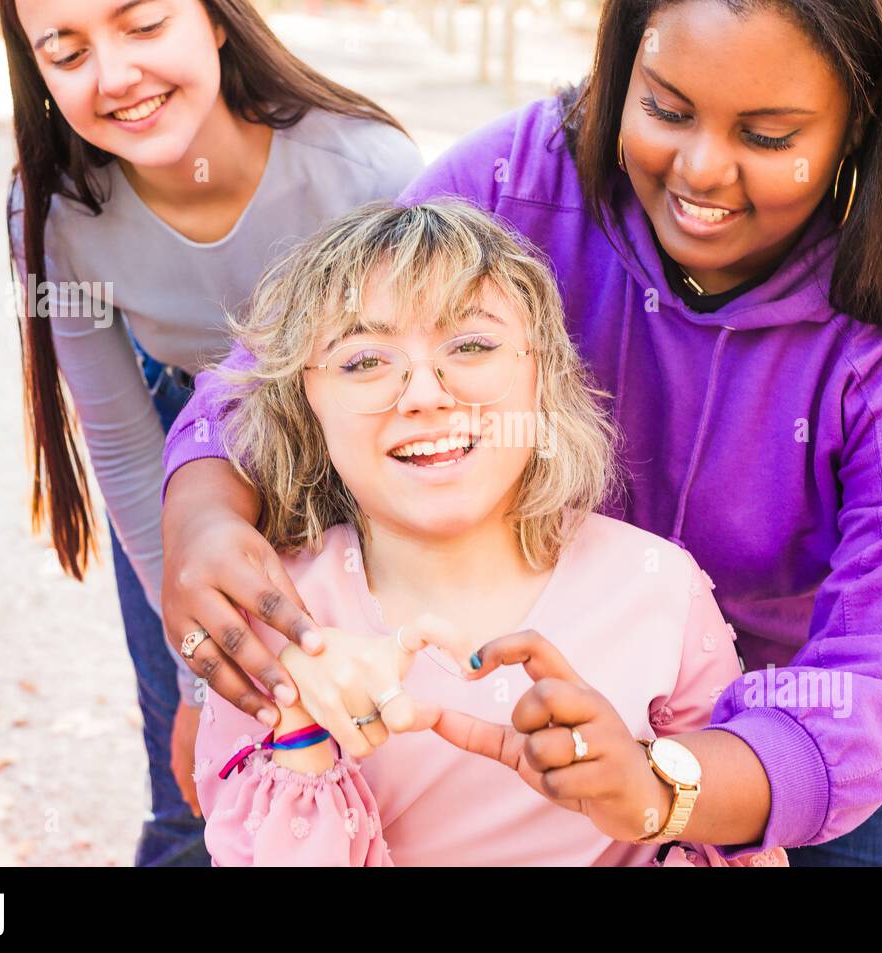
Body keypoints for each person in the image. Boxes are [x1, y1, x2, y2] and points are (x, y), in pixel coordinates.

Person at [160, 0, 882, 864]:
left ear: (862, 125)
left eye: (768, 136)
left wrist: (668, 790)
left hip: (845, 685)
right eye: (666, 108)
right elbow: (312, 346)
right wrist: (204, 527)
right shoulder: (522, 179)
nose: (701, 169)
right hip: (588, 627)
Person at [191, 199, 787, 866]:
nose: (423, 394)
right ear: (306, 401)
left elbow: (728, 843)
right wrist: (300, 721)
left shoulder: (660, 587)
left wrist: (643, 789)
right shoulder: (272, 621)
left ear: (543, 375)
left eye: (471, 345)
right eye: (364, 361)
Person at [0, 0, 423, 865]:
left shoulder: (361, 171)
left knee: (367, 754)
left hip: (350, 457)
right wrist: (199, 672)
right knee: (200, 780)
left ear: (219, 21)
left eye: (144, 25)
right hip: (169, 472)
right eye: (66, 49)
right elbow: (119, 442)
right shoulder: (53, 211)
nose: (114, 76)